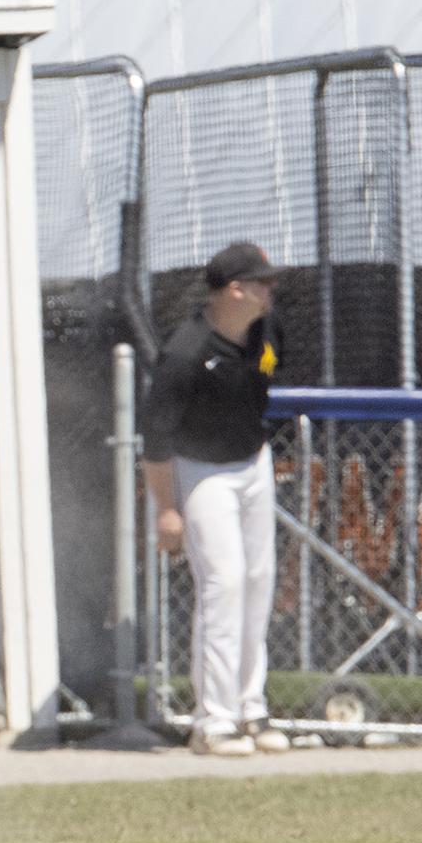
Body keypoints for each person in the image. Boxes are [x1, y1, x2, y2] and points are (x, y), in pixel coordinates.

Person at [141, 242, 290, 758]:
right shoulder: (185, 352)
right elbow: (155, 441)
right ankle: (213, 722)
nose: (272, 290)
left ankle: (252, 710)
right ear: (236, 289)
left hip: (253, 461)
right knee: (223, 584)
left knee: (257, 581)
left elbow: (267, 376)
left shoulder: (265, 333)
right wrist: (166, 510)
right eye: (263, 282)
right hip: (200, 471)